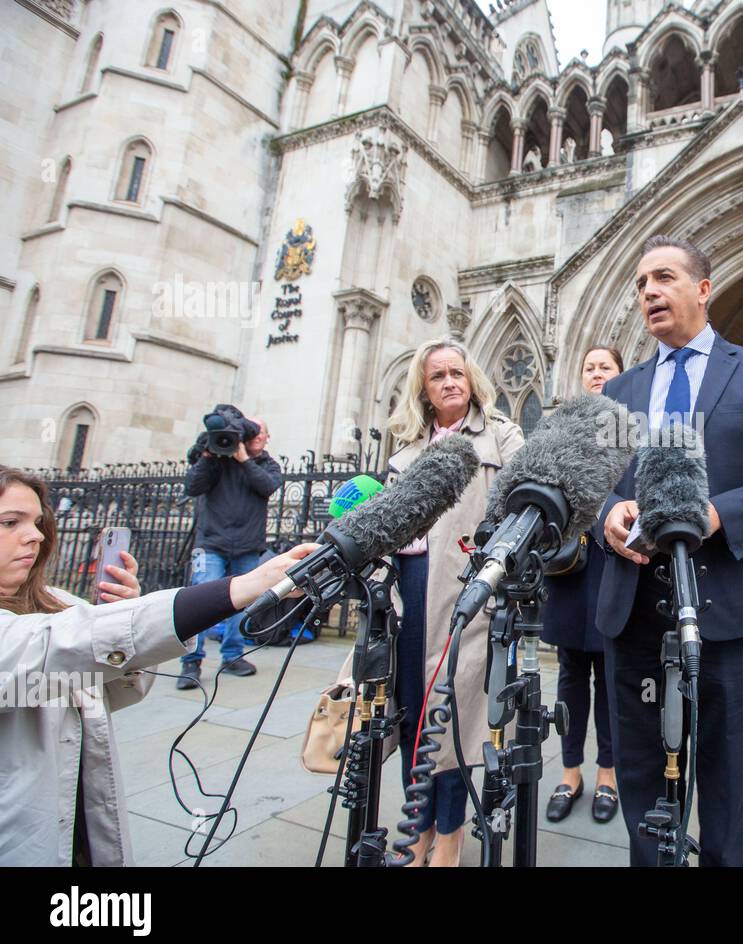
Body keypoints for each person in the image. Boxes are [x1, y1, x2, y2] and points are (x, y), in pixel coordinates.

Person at [598, 235, 743, 866]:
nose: (649, 291)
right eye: (641, 283)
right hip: (636, 607)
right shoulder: (620, 391)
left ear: (703, 289)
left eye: (664, 277)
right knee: (643, 780)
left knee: (726, 781)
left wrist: (717, 514)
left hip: (733, 608)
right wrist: (609, 513)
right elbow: (595, 483)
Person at [0, 464, 317, 865]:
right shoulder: (53, 626)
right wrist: (243, 586)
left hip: (75, 824)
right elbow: (53, 647)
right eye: (10, 522)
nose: (35, 535)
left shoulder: (57, 603)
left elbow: (121, 688)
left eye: (37, 522)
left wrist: (124, 614)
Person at [387, 340, 525, 867]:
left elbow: (524, 506)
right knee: (411, 715)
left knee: (452, 722)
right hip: (409, 591)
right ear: (423, 388)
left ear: (472, 380)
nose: (449, 382)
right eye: (438, 376)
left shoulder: (501, 435)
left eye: (457, 373)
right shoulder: (407, 444)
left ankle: (449, 832)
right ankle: (417, 827)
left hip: (466, 592)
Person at [542, 346, 623, 825]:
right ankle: (570, 772)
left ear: (621, 373)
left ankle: (607, 773)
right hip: (571, 568)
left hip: (615, 566)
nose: (596, 373)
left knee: (611, 677)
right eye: (589, 367)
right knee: (571, 674)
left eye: (604, 367)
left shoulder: (631, 424)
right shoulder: (564, 425)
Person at [177, 413, 282, 688]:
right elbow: (192, 486)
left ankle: (233, 656)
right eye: (253, 431)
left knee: (242, 604)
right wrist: (208, 456)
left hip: (248, 546)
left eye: (262, 432)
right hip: (211, 543)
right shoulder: (218, 460)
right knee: (198, 604)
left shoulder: (267, 465)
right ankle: (191, 661)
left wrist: (244, 460)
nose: (257, 436)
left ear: (267, 438)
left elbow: (267, 487)